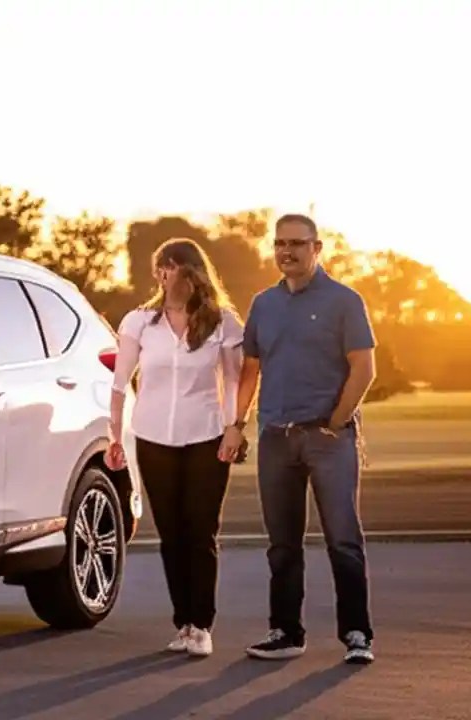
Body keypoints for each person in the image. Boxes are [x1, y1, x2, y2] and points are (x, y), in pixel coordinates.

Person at [220, 213, 378, 665]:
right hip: (276, 439)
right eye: (280, 244)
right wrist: (236, 423)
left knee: (342, 538)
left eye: (296, 243)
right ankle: (286, 633)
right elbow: (250, 370)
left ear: (317, 248)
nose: (286, 252)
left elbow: (364, 368)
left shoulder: (344, 301)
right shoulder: (264, 304)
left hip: (329, 439)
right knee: (282, 544)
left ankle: (356, 634)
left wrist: (336, 422)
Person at [106, 238, 245, 658]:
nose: (164, 275)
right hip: (153, 438)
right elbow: (120, 382)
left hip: (206, 436)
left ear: (193, 272)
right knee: (170, 534)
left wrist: (234, 429)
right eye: (160, 267)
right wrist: (115, 437)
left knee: (200, 531)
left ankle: (202, 625)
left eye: (172, 266)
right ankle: (182, 622)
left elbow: (233, 382)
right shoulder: (140, 322)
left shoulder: (222, 323)